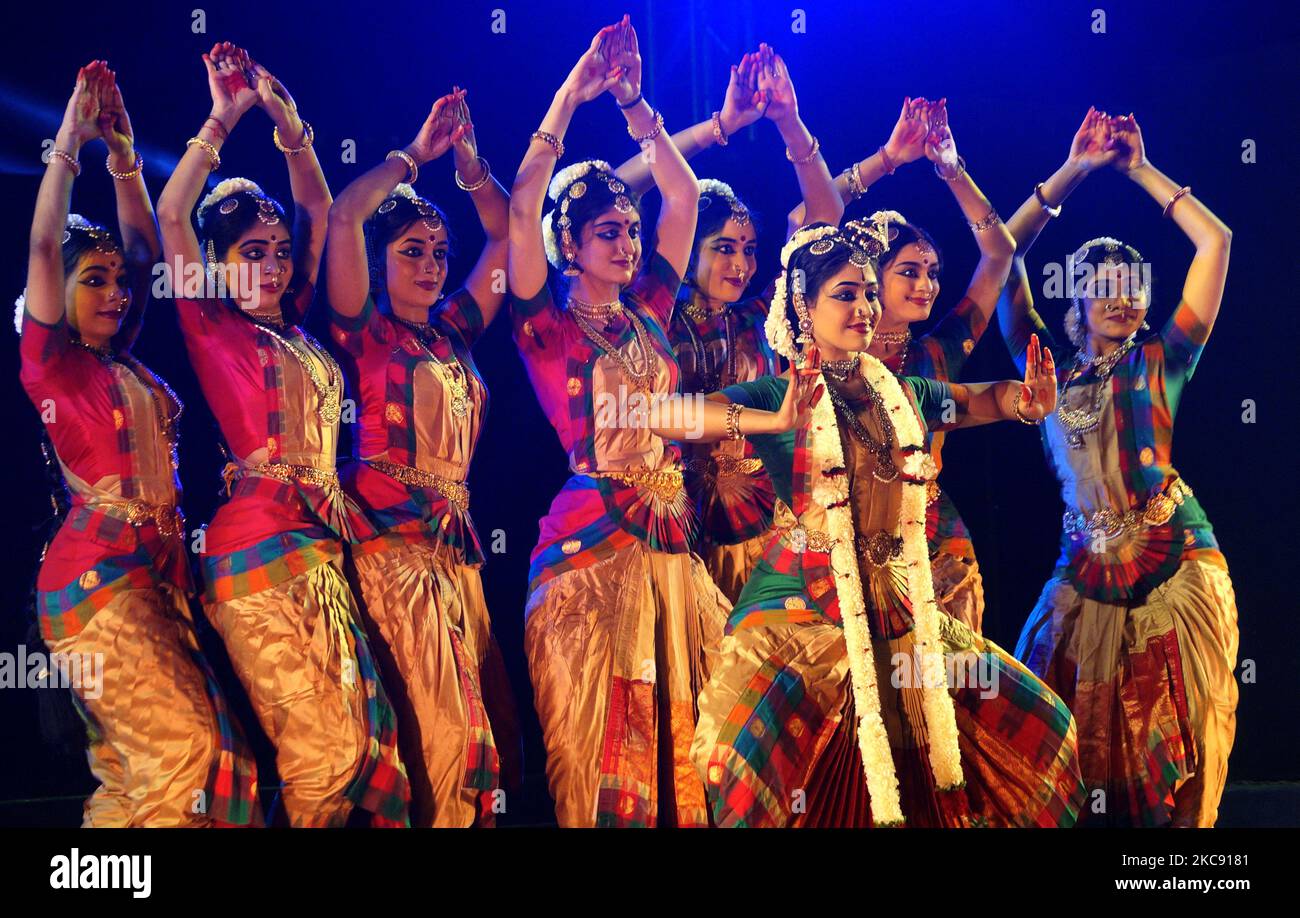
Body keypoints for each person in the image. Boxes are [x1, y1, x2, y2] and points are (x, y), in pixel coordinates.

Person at [672, 223, 1084, 827]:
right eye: (845, 294)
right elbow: (671, 414)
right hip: (807, 606)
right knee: (790, 765)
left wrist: (1025, 402)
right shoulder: (782, 391)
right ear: (804, 311)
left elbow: (978, 399)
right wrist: (769, 419)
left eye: (869, 292)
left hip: (894, 598)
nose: (864, 307)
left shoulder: (900, 390)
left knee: (1021, 729)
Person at [156, 41, 408, 827]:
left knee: (373, 750)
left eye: (274, 253)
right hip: (253, 559)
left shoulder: (293, 325)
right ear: (217, 264)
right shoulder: (212, 326)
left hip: (318, 550)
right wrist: (223, 118)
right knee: (323, 756)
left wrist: (290, 127)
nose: (267, 266)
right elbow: (170, 213)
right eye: (248, 255)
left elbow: (321, 209)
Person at [507, 18, 739, 826]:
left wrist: (638, 102)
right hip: (591, 544)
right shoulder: (546, 325)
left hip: (670, 541)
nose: (631, 242)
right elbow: (525, 196)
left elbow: (681, 194)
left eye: (631, 231)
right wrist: (573, 92)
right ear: (567, 245)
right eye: (609, 231)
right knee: (605, 744)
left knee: (696, 736)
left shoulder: (647, 311)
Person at [18, 61, 258, 826]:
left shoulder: (123, 364)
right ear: (57, 292)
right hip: (94, 586)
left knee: (155, 775)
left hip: (153, 581)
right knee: (190, 750)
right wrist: (68, 141)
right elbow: (44, 246)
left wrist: (125, 154)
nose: (118, 294)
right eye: (96, 281)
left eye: (117, 283)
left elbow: (150, 259)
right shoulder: (51, 366)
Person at [997, 109, 1237, 827]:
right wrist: (1073, 170)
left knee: (1184, 730)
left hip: (1174, 557)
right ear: (1077, 299)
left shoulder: (1163, 363)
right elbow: (1003, 254)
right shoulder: (1044, 371)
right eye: (1102, 284)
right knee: (1068, 740)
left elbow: (1215, 240)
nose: (1121, 296)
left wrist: (1137, 170)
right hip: (1086, 569)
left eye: (1132, 285)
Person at [325, 87, 516, 826]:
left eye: (438, 252)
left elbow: (504, 241)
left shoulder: (454, 331)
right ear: (379, 262)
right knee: (448, 734)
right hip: (393, 552)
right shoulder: (363, 332)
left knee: (483, 736)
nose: (432, 264)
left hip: (455, 558)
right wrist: (414, 156)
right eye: (412, 252)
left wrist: (469, 166)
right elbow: (344, 214)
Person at [612, 44, 843, 602]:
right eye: (723, 248)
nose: (740, 264)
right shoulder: (650, 314)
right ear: (689, 248)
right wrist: (721, 126)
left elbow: (825, 215)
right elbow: (618, 187)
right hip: (675, 525)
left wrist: (789, 122)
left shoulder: (760, 316)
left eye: (748, 249)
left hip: (769, 526)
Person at [814, 98, 1017, 633]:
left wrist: (953, 171)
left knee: (943, 698)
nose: (926, 284)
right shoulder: (824, 350)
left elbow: (999, 255)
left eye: (932, 271)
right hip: (841, 533)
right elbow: (808, 218)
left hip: (930, 538)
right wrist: (887, 158)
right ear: (871, 276)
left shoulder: (937, 352)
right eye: (908, 271)